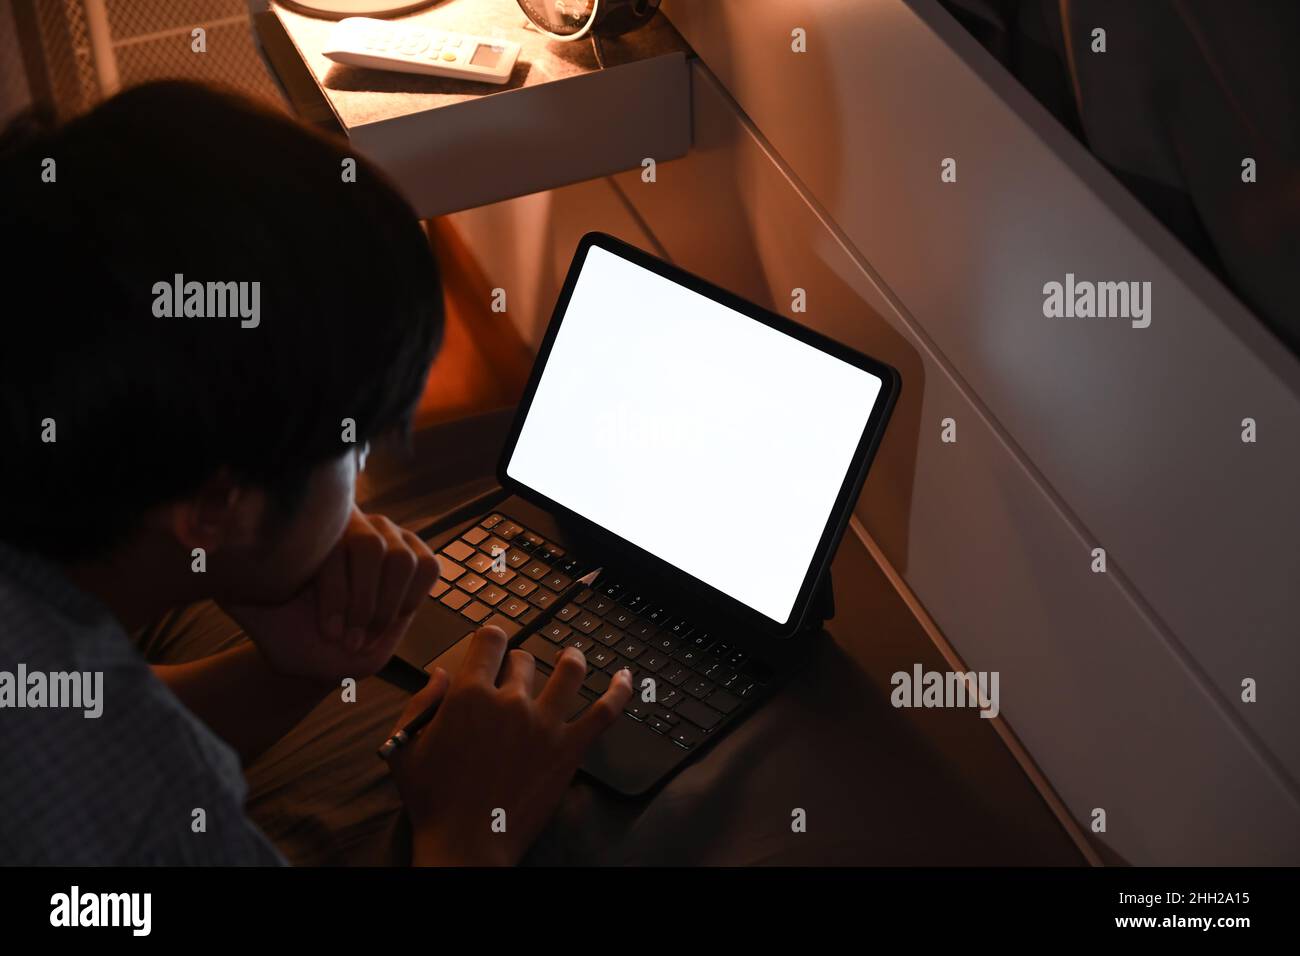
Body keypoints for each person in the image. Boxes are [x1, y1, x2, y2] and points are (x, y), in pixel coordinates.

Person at [0, 80, 633, 866]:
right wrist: (466, 832)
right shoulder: (147, 804)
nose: (362, 473)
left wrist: (285, 673)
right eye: (353, 445)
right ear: (214, 507)